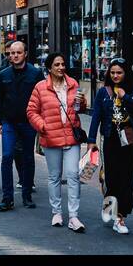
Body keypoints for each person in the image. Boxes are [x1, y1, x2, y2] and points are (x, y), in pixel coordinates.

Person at [26, 52, 87, 232]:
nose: (61, 67)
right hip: (51, 138)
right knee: (54, 177)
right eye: (57, 65)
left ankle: (74, 216)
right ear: (49, 68)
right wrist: (42, 126)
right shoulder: (40, 87)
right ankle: (57, 212)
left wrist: (82, 103)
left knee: (73, 175)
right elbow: (31, 111)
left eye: (63, 64)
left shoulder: (73, 84)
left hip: (71, 137)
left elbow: (79, 109)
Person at [87, 57, 133, 234]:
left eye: (119, 72)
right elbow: (96, 116)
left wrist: (125, 97)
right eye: (112, 73)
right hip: (109, 138)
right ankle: (108, 204)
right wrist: (91, 140)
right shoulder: (103, 92)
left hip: (129, 139)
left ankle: (120, 218)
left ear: (125, 73)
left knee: (127, 178)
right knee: (111, 175)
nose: (115, 76)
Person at [0, 41, 44, 211]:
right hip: (9, 122)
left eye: (18, 52)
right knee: (7, 156)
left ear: (25, 54)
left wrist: (40, 121)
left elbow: (42, 98)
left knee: (28, 158)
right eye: (11, 53)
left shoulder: (36, 74)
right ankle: (7, 198)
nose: (14, 56)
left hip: (29, 122)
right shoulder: (3, 74)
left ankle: (27, 195)